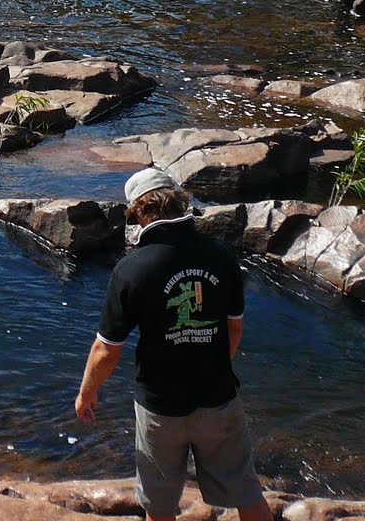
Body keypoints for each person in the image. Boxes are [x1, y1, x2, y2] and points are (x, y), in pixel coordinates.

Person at [74, 168, 271, 521]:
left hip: (160, 407)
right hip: (218, 398)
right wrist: (215, 367)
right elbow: (235, 328)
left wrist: (87, 392)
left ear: (140, 212)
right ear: (180, 203)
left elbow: (107, 350)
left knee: (160, 505)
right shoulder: (221, 255)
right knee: (246, 493)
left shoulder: (131, 268)